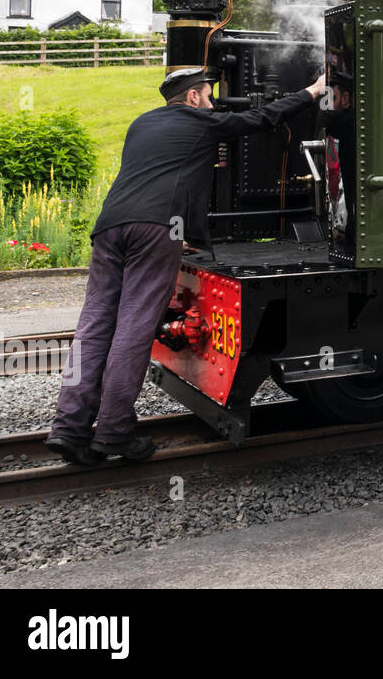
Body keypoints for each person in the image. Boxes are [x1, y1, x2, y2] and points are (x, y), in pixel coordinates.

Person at [45, 67, 327, 465]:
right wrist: (312, 91)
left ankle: (69, 428)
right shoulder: (202, 122)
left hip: (109, 227)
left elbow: (159, 174)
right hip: (155, 230)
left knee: (93, 326)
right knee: (134, 327)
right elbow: (261, 118)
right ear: (193, 97)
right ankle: (113, 432)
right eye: (208, 96)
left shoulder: (140, 124)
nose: (212, 103)